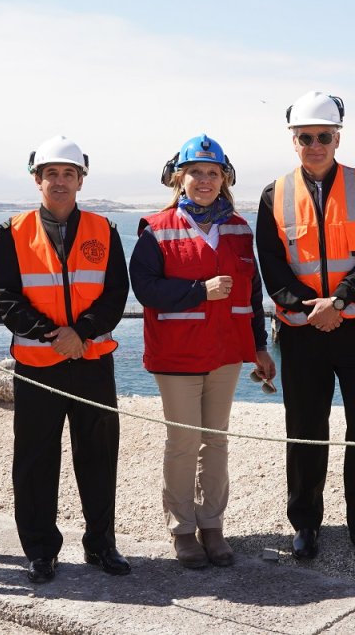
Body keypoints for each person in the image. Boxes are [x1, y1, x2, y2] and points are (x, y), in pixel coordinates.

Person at [256, 91, 355, 565]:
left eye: (323, 136)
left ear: (338, 137)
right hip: (301, 332)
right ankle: (306, 525)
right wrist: (310, 308)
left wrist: (340, 300)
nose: (315, 145)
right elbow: (271, 268)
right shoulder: (274, 194)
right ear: (293, 140)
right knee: (306, 430)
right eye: (305, 137)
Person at [129, 134, 276, 569]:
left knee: (216, 442)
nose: (204, 180)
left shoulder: (238, 229)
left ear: (224, 179)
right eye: (196, 172)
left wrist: (261, 347)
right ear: (180, 178)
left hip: (227, 353)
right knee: (183, 442)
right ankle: (181, 529)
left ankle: (212, 524)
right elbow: (146, 289)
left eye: (213, 173)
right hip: (176, 356)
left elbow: (251, 296)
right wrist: (200, 291)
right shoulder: (156, 229)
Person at [0, 135, 131, 584]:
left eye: (69, 173)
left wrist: (82, 333)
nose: (60, 181)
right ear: (38, 179)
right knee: (34, 460)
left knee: (99, 456)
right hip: (37, 366)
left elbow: (115, 294)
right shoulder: (12, 232)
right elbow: (5, 298)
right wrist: (54, 336)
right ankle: (40, 551)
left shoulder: (104, 230)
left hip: (92, 364)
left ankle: (101, 544)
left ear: (80, 180)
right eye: (52, 173)